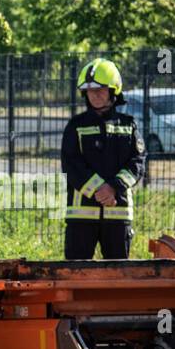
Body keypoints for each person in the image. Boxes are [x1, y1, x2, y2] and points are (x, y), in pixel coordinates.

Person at [61, 57, 145, 260]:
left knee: (118, 277)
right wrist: (99, 189)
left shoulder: (129, 125)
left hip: (118, 213)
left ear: (113, 91)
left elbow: (138, 161)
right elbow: (71, 164)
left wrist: (114, 187)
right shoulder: (76, 125)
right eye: (90, 91)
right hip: (82, 217)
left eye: (100, 90)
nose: (95, 95)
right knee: (75, 274)